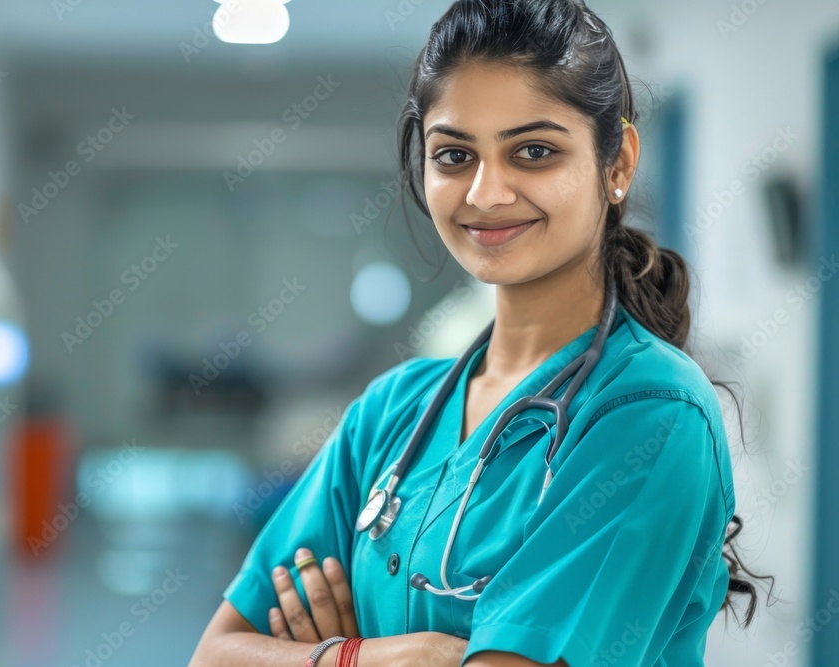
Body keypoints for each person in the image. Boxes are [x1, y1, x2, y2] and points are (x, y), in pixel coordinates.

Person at [187, 1, 773, 665]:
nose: (487, 192)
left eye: (533, 151)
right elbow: (215, 654)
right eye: (455, 154)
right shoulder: (391, 413)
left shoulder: (649, 414)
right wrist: (377, 657)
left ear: (618, 163)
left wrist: (326, 653)